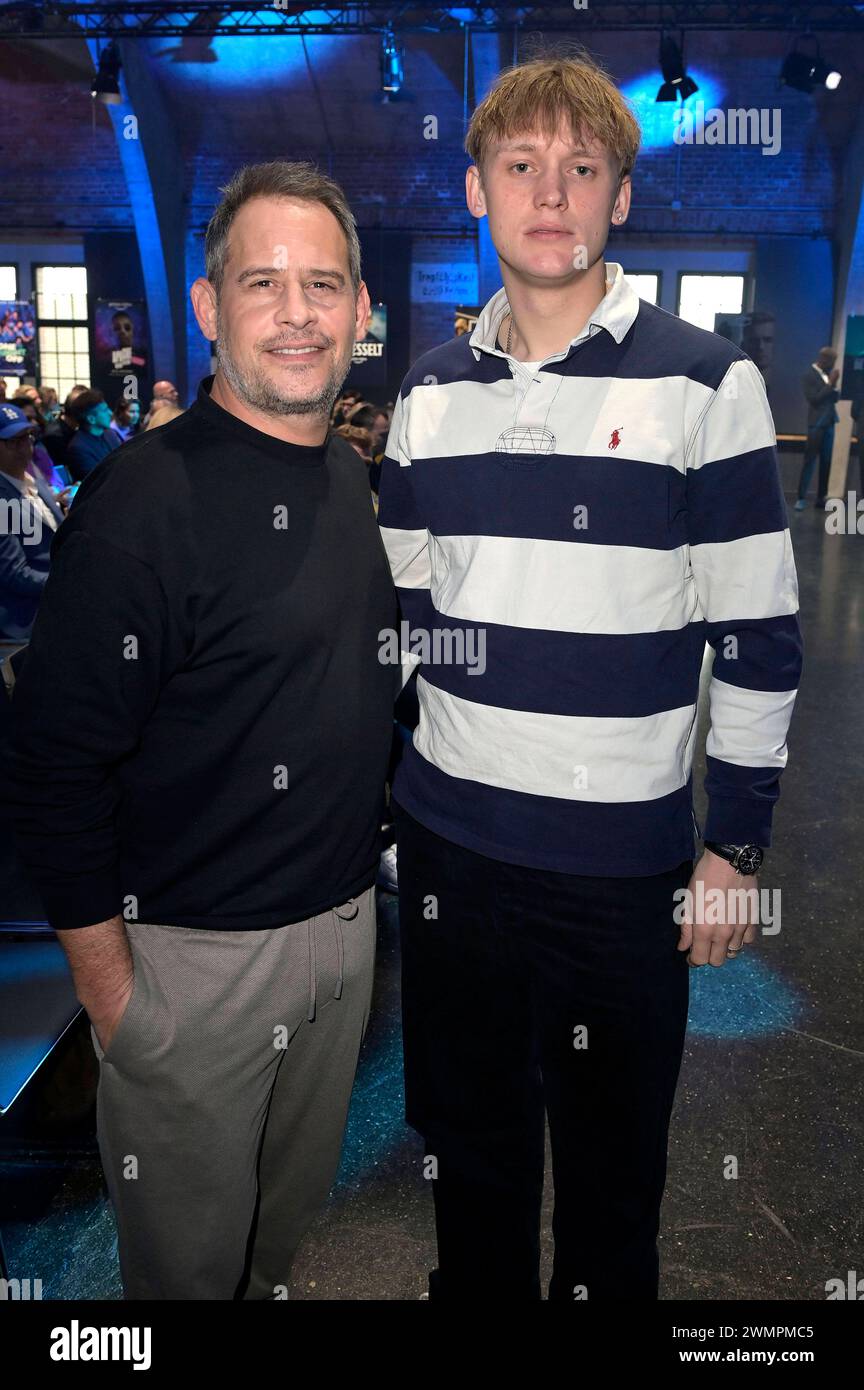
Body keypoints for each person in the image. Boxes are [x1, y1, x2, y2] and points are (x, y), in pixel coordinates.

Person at [377, 52, 803, 1302]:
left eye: (582, 168)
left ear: (621, 196)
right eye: (521, 166)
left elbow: (758, 630)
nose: (549, 192)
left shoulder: (706, 381)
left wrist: (734, 851)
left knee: (615, 1197)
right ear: (476, 190)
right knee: (473, 1167)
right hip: (453, 851)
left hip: (620, 870)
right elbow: (411, 613)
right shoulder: (428, 392)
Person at [2, 159, 397, 1301]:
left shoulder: (346, 478)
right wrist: (119, 1002)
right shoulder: (140, 504)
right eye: (261, 282)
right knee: (185, 1281)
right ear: (208, 305)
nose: (296, 313)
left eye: (322, 285)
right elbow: (54, 765)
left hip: (340, 946)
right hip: (194, 972)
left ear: (360, 313)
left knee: (271, 1256)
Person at [0, 404, 65, 640]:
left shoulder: (34, 481)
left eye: (27, 437)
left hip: (58, 603)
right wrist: (69, 579)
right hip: (26, 619)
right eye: (12, 441)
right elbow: (14, 574)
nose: (24, 446)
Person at [795, 346, 839, 510]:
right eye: (832, 361)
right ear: (824, 359)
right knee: (810, 460)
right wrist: (831, 384)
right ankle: (801, 497)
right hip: (816, 423)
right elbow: (814, 398)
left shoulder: (828, 375)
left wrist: (832, 386)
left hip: (829, 422)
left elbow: (834, 398)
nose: (833, 365)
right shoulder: (809, 375)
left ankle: (821, 497)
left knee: (826, 462)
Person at [64, 389, 123, 482]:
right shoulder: (78, 448)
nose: (110, 413)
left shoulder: (110, 434)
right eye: (104, 410)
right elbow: (97, 481)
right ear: (91, 419)